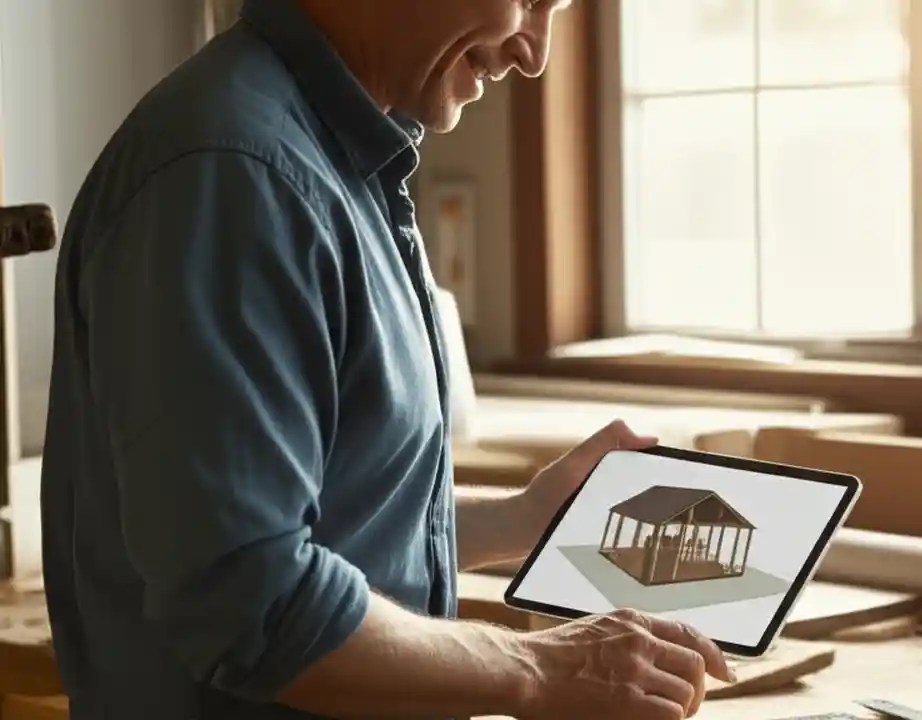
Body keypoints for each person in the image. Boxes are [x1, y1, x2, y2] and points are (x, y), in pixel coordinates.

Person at [39, 0, 734, 718]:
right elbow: (255, 605)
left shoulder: (330, 161)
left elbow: (333, 513)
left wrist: (527, 517)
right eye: (529, 2)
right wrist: (538, 666)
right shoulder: (236, 176)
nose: (535, 54)